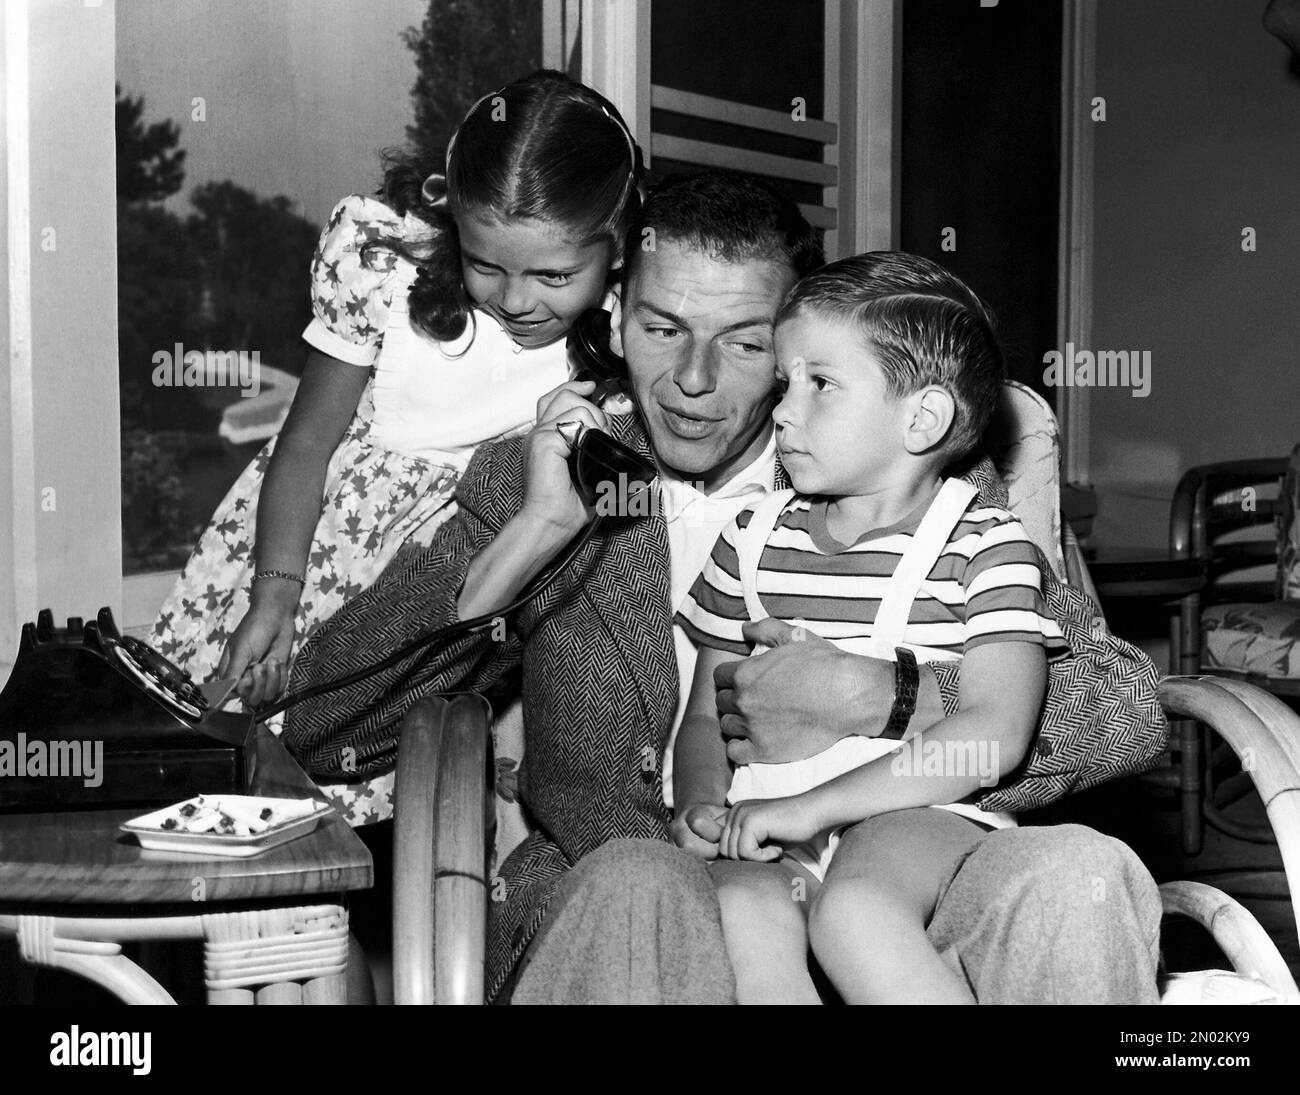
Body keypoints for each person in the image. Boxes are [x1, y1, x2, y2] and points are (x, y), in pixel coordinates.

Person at [281, 169, 1163, 1004]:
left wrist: (887, 697)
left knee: (1076, 872)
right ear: (616, 310)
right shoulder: (536, 477)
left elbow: (1125, 708)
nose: (695, 379)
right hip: (633, 908)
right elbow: (330, 726)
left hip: (893, 888)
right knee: (641, 876)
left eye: (744, 343)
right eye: (663, 328)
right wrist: (533, 538)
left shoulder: (899, 468)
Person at [151, 70, 641, 824]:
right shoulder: (386, 270)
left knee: (356, 835)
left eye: (554, 275)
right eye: (487, 265)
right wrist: (273, 594)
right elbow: (307, 440)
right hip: (311, 561)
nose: (515, 299)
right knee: (228, 796)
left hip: (436, 595)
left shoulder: (626, 333)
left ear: (616, 245)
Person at [673, 252, 1071, 1003]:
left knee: (856, 914)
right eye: (785, 382)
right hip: (766, 818)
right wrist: (702, 802)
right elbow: (703, 716)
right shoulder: (751, 539)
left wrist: (813, 808)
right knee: (737, 911)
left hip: (914, 813)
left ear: (921, 418)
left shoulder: (985, 548)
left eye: (820, 384)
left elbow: (997, 732)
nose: (783, 410)